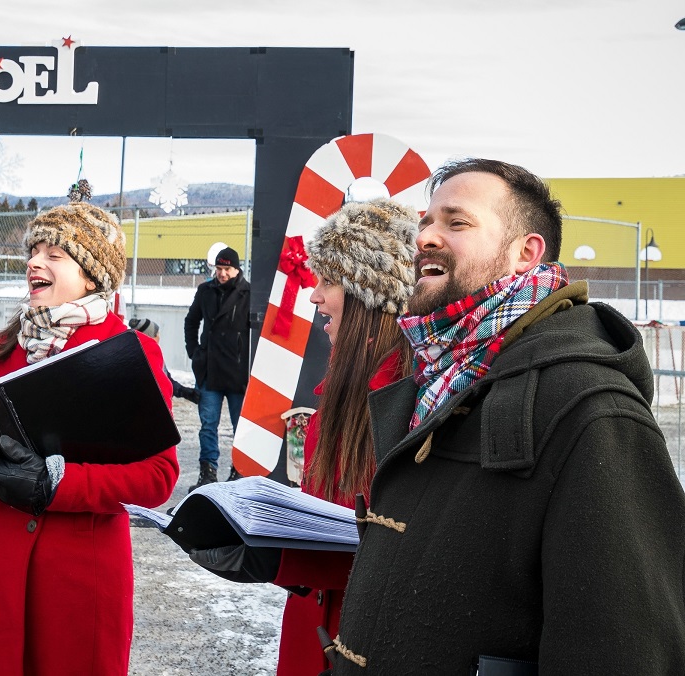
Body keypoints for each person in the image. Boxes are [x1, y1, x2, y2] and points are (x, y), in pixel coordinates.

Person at [325, 159, 685, 673]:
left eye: (456, 222)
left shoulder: (590, 407)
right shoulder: (441, 377)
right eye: (425, 221)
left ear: (526, 253)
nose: (425, 236)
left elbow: (623, 646)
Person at [0, 203, 180, 675]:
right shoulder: (2, 348)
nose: (35, 262)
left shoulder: (130, 353)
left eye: (55, 254)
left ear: (93, 275)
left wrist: (56, 484)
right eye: (34, 251)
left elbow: (157, 477)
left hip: (78, 580)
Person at [187, 199, 419, 675]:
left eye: (329, 281)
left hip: (365, 645)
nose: (314, 296)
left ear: (368, 292)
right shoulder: (339, 395)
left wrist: (273, 556)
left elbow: (397, 558)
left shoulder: (412, 403)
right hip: (311, 638)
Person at [184, 246, 251, 489]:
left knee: (240, 427)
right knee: (208, 424)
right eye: (218, 269)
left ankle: (239, 472)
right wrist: (194, 353)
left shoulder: (248, 292)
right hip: (209, 369)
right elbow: (191, 321)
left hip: (237, 372)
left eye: (226, 269)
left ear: (236, 269)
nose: (221, 274)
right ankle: (208, 474)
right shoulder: (205, 290)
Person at [128, 316, 201, 404]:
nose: (159, 337)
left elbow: (167, 380)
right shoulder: (142, 359)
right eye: (157, 333)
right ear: (150, 337)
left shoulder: (154, 355)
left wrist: (185, 392)